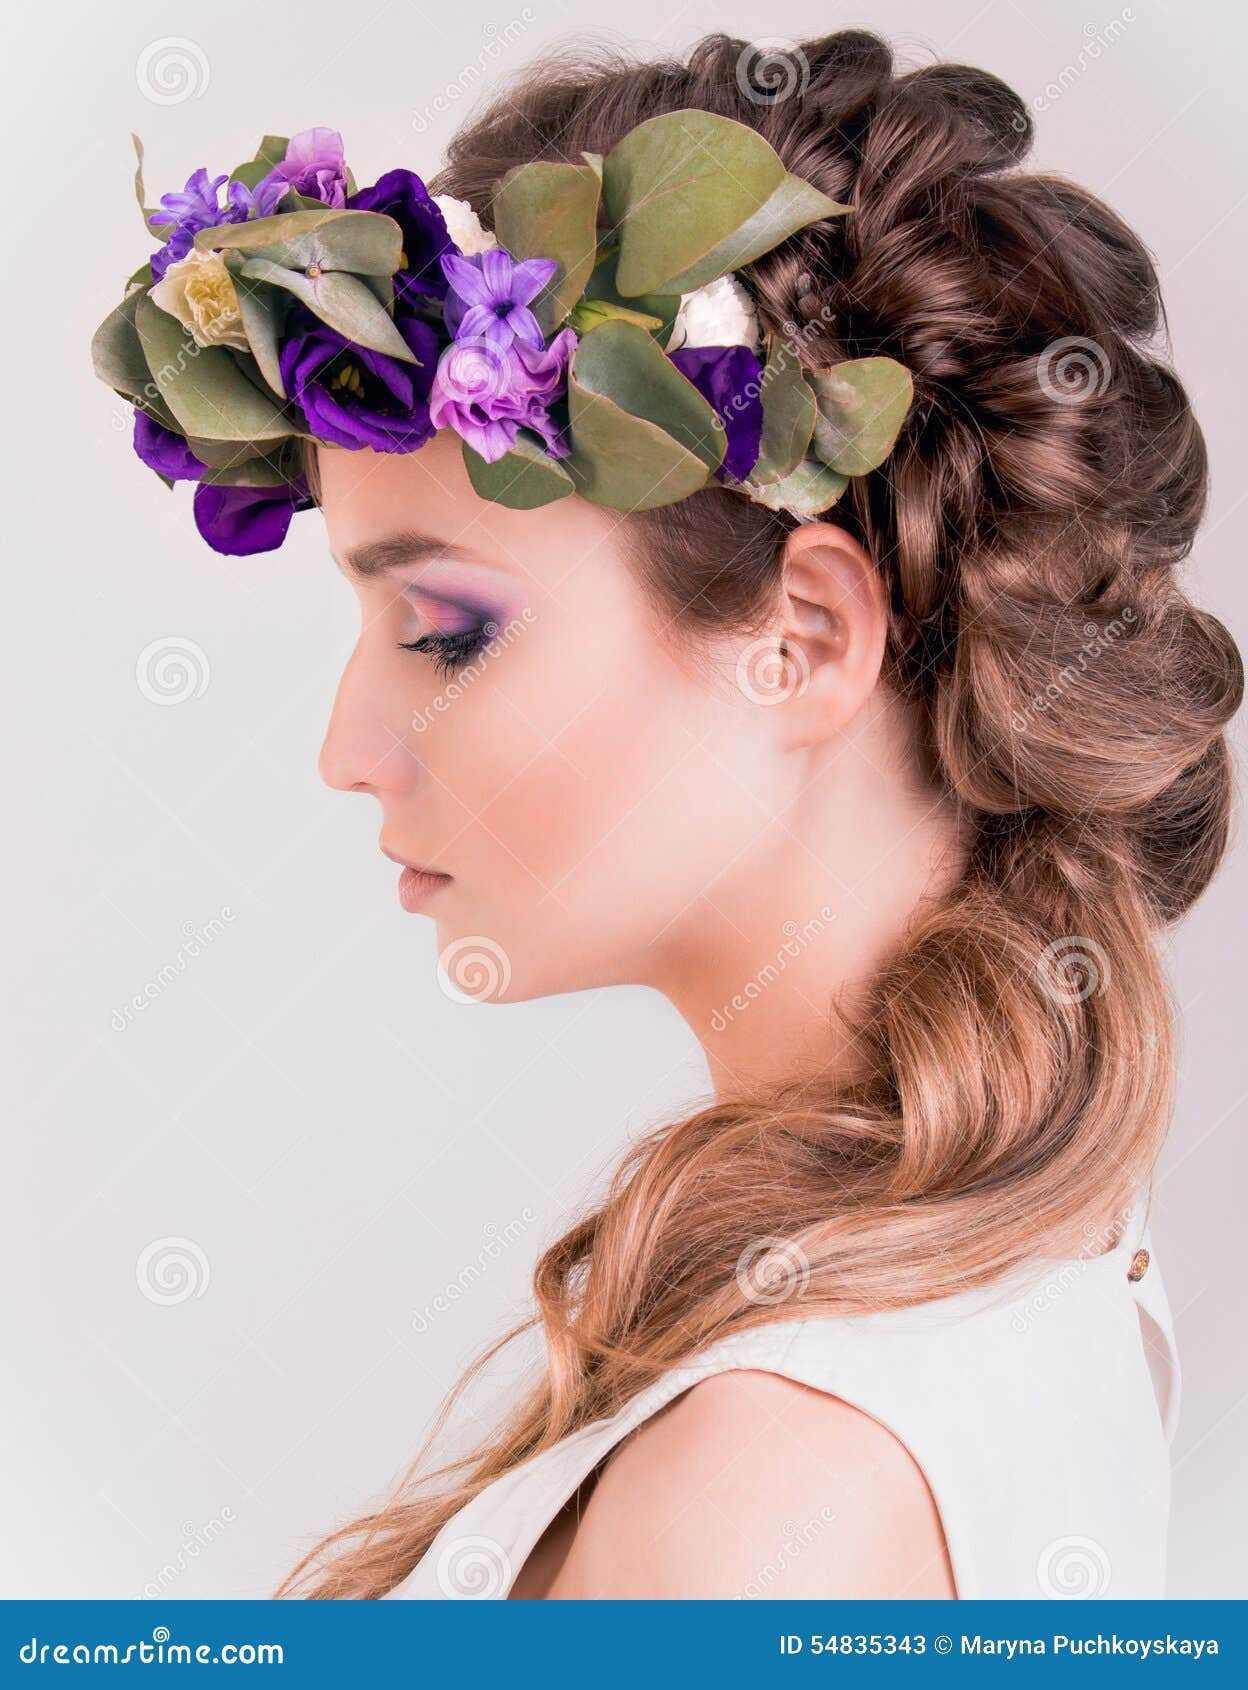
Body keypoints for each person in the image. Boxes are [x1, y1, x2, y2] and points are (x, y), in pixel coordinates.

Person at [94, 29, 1243, 1600]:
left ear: (809, 638)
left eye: (443, 630)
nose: (349, 747)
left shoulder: (769, 1497)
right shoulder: (1024, 1294)